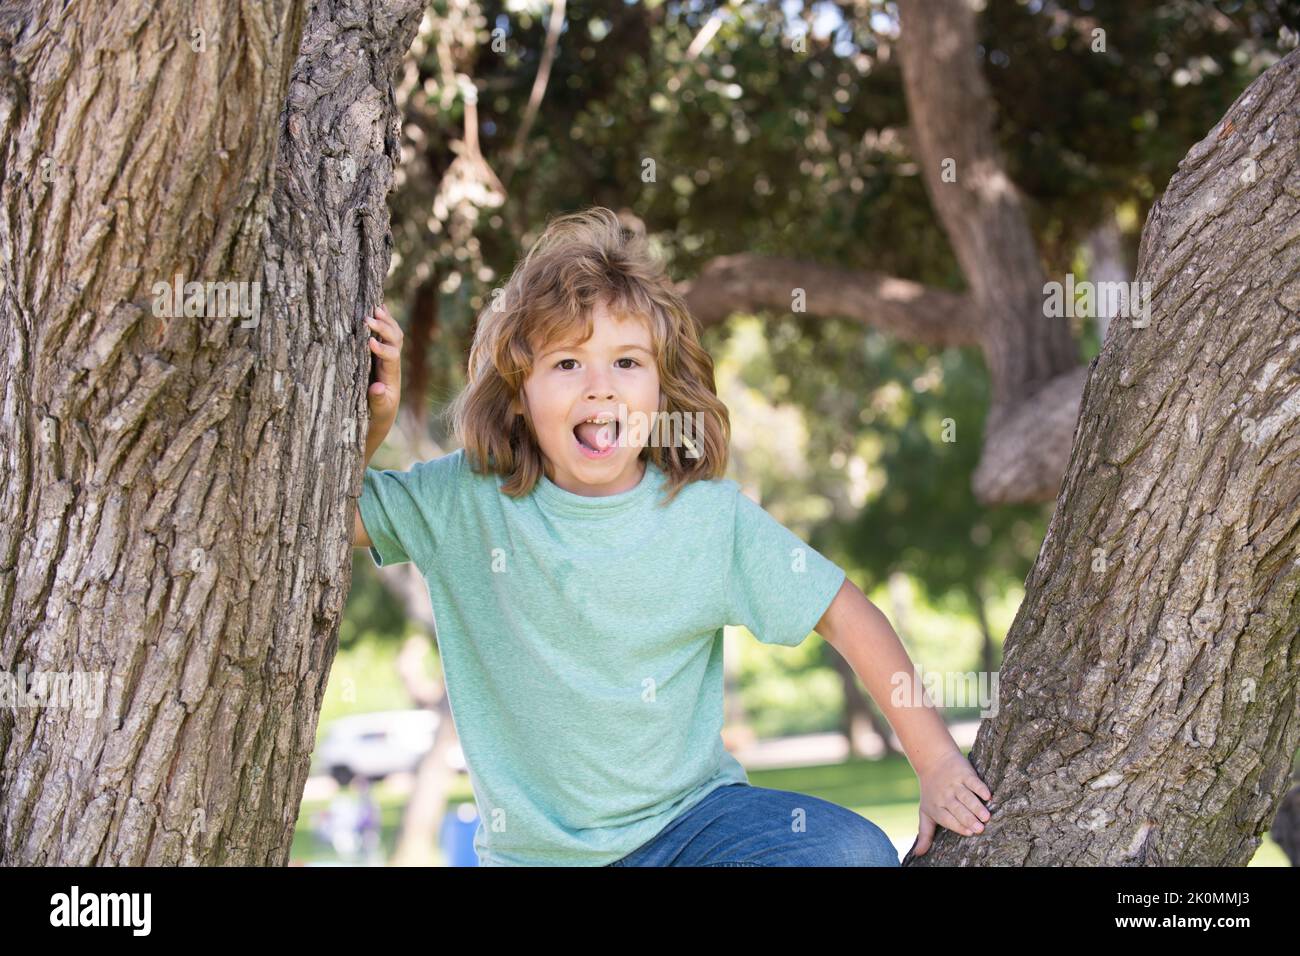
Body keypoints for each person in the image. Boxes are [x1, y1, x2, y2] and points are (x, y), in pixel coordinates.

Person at [353, 206, 992, 866]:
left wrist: (937, 761)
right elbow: (331, 519)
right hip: (536, 859)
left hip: (694, 828)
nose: (601, 387)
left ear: (660, 387)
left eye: (627, 362)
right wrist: (375, 421)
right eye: (568, 363)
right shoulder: (465, 500)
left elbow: (846, 613)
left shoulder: (707, 518)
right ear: (518, 392)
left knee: (850, 851)